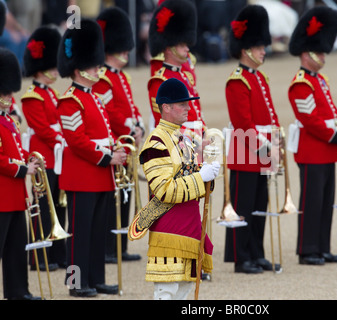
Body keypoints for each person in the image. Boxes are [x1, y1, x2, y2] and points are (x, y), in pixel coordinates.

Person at [129, 78, 219, 300]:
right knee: (167, 292)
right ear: (166, 108)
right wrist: (200, 178)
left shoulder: (183, 138)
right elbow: (164, 190)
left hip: (189, 226)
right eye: (182, 104)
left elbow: (186, 174)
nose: (188, 108)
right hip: (169, 229)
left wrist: (205, 173)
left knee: (184, 290)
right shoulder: (156, 143)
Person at [56, 18, 128, 297]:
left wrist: (117, 148)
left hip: (101, 175)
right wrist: (107, 157)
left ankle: (96, 279)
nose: (98, 68)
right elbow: (77, 141)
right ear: (79, 68)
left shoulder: (93, 97)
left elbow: (104, 133)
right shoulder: (70, 100)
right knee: (80, 234)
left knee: (98, 232)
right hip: (83, 175)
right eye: (93, 64)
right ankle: (76, 283)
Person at [288, 6, 337, 266]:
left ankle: (323, 247)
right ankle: (308, 250)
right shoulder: (301, 83)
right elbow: (311, 120)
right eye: (318, 52)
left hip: (327, 149)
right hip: (313, 149)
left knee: (326, 202)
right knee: (312, 203)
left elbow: (330, 110)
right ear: (306, 54)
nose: (323, 57)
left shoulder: (319, 80)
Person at [223, 4, 280, 274]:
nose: (263, 51)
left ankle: (256, 252)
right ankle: (239, 256)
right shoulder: (238, 81)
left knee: (259, 207)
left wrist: (276, 143)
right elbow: (243, 124)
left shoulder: (260, 77)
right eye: (259, 47)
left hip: (263, 153)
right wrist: (266, 147)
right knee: (243, 208)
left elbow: (270, 113)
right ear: (246, 50)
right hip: (246, 154)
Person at [93, 6, 144, 264]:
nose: (127, 51)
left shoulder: (121, 77)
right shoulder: (102, 77)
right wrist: (129, 127)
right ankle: (109, 248)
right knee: (115, 197)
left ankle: (121, 246)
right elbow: (108, 112)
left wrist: (139, 125)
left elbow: (131, 106)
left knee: (125, 196)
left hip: (127, 145)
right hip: (115, 145)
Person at [21, 25, 67, 272]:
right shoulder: (32, 97)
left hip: (58, 157)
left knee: (59, 205)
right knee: (43, 209)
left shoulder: (51, 93)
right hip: (44, 158)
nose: (56, 71)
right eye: (52, 66)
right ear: (41, 68)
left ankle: (58, 253)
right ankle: (39, 257)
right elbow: (42, 129)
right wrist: (62, 138)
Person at [0, 47, 41, 300]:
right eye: (5, 92)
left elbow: (16, 150)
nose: (9, 96)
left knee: (16, 248)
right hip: (3, 194)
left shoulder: (9, 120)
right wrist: (24, 168)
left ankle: (18, 291)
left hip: (15, 195)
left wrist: (30, 160)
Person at [147, 0, 205, 147]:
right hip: (178, 147)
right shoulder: (160, 80)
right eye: (181, 45)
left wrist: (204, 133)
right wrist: (195, 140)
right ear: (168, 47)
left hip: (195, 144)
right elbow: (164, 122)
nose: (187, 48)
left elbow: (196, 112)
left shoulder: (186, 77)